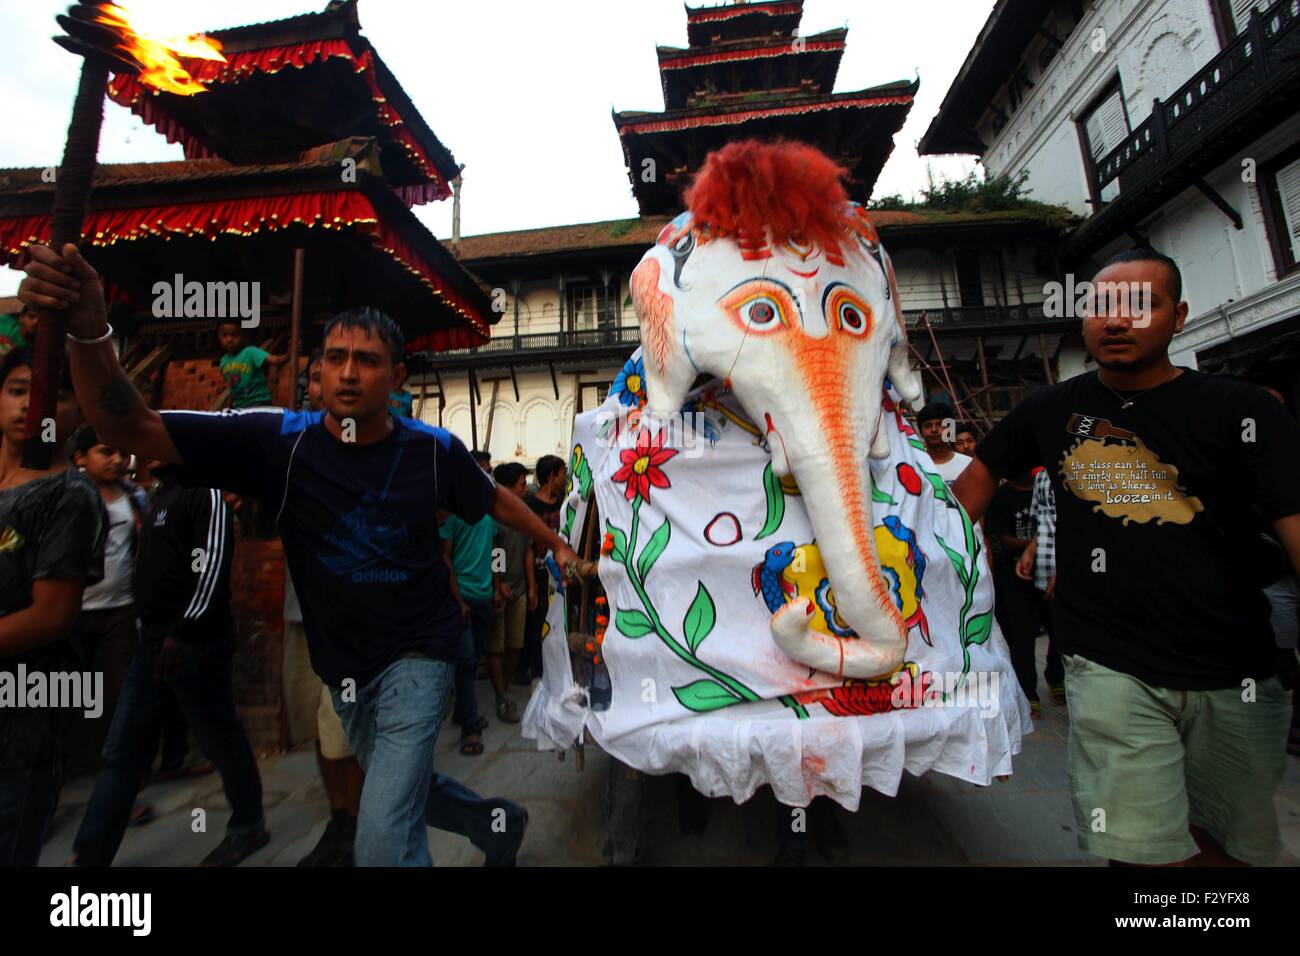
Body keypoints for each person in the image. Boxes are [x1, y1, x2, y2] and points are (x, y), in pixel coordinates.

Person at [21, 241, 579, 866]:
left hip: (421, 655)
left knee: (382, 838)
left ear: (396, 377)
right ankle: (496, 821)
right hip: (343, 668)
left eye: (366, 361)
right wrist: (90, 330)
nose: (346, 373)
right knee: (404, 790)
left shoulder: (431, 450)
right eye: (334, 358)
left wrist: (555, 541)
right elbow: (130, 426)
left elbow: (494, 500)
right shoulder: (277, 443)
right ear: (316, 372)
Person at [953, 247, 1300, 867]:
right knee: (1137, 847)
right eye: (1101, 308)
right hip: (1109, 661)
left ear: (1179, 315)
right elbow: (962, 502)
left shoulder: (1242, 411)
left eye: (1141, 305)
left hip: (1234, 665)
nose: (1116, 321)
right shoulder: (1049, 410)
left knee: (1231, 842)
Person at [71, 460, 269, 867]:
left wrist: (184, 631)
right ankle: (90, 854)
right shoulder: (162, 495)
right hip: (152, 644)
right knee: (121, 748)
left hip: (192, 645)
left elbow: (212, 566)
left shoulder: (207, 491)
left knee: (219, 737)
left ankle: (248, 825)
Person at [0, 347, 106, 866]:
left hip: (23, 714)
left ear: (78, 412)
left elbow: (51, 616)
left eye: (54, 395)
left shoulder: (69, 495)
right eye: (19, 390)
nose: (32, 406)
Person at [282, 350, 365, 866]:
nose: (324, 384)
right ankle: (340, 818)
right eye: (315, 376)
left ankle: (355, 829)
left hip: (353, 622)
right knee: (318, 729)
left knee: (345, 735)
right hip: (301, 613)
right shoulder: (288, 446)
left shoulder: (376, 445)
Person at [67, 427, 148, 775]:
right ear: (80, 459)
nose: (117, 460)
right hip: (70, 611)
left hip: (120, 608)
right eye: (105, 453)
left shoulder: (135, 497)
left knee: (118, 698)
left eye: (120, 453)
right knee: (67, 696)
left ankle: (118, 785)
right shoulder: (66, 496)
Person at [441, 450, 503, 754]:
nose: (489, 475)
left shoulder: (490, 513)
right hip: (462, 597)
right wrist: (457, 600)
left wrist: (499, 585)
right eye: (484, 470)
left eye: (491, 470)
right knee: (466, 661)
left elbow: (496, 553)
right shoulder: (452, 513)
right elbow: (445, 558)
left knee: (473, 656)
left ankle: (461, 711)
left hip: (483, 596)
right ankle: (471, 728)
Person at [985, 470, 1048, 718]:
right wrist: (1034, 544)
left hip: (1048, 572)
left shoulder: (1045, 488)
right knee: (1022, 635)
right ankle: (1028, 693)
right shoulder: (1002, 496)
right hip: (1013, 576)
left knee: (1056, 631)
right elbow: (1003, 538)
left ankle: (1056, 677)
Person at [489, 462, 536, 723]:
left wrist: (531, 586)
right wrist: (497, 584)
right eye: (521, 484)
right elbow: (494, 551)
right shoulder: (495, 512)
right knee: (496, 645)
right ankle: (500, 694)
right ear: (508, 487)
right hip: (501, 589)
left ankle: (503, 690)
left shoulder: (524, 511)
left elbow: (528, 550)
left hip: (519, 588)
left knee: (515, 644)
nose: (525, 488)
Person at [1016, 467, 1065, 705]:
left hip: (1067, 568)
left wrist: (1064, 570)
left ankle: (1057, 678)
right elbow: (1041, 520)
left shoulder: (1080, 473)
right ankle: (1031, 691)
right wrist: (1030, 550)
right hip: (1041, 565)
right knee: (1033, 629)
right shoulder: (1043, 477)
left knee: (1063, 633)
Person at [518, 454, 566, 685]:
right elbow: (526, 549)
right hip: (538, 574)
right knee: (538, 626)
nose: (565, 477)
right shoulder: (529, 507)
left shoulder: (565, 503)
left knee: (561, 623)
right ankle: (537, 673)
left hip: (561, 574)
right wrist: (531, 586)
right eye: (562, 472)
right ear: (551, 476)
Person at [216, 320, 289, 409]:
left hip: (258, 401)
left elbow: (276, 360)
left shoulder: (251, 352)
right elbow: (232, 387)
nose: (230, 339)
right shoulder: (223, 361)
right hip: (239, 405)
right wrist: (229, 406)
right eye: (224, 335)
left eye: (235, 335)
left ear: (243, 335)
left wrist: (290, 353)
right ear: (219, 337)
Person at [915, 403, 971, 485]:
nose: (934, 430)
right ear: (920, 432)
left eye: (940, 424)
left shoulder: (968, 465)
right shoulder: (913, 465)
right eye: (928, 426)